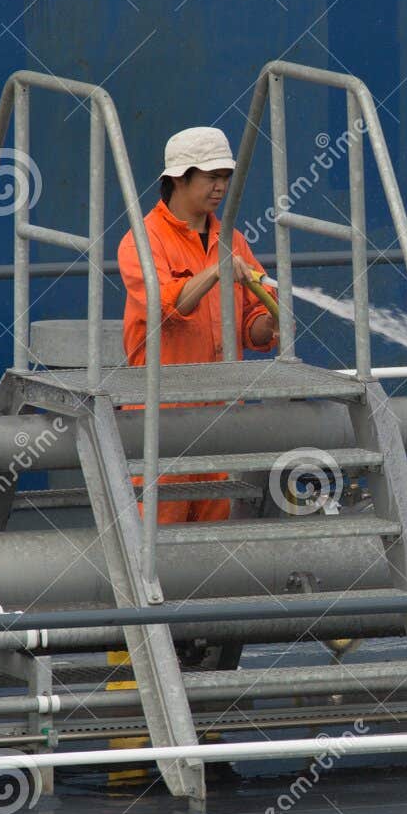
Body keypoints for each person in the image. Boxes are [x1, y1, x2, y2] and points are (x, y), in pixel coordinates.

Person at [117, 126, 276, 524]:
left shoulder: (232, 239)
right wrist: (214, 272)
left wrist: (272, 320)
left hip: (222, 413)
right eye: (211, 177)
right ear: (178, 178)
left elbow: (250, 324)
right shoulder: (141, 241)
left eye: (225, 177)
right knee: (158, 533)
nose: (221, 187)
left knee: (214, 537)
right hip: (161, 416)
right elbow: (164, 306)